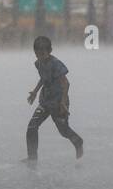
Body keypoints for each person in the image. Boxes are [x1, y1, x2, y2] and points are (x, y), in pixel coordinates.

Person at [24, 35, 84, 163]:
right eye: (37, 54)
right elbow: (44, 77)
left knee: (63, 130)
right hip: (45, 101)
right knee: (32, 126)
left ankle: (78, 141)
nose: (40, 57)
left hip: (58, 102)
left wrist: (63, 102)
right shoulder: (39, 63)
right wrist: (35, 91)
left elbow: (66, 83)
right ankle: (32, 157)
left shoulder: (56, 64)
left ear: (50, 51)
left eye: (42, 54)